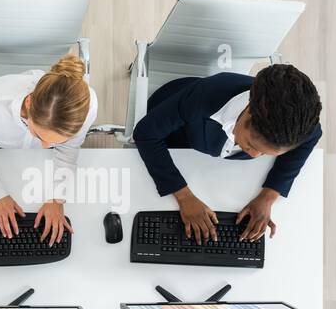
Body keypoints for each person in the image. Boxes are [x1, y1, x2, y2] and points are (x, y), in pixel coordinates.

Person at [132, 64, 322, 243]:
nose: (254, 156)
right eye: (251, 145)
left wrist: (268, 196)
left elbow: (313, 137)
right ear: (247, 112)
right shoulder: (203, 97)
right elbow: (145, 134)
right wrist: (184, 196)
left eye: (267, 154)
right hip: (178, 136)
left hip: (212, 166)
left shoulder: (301, 129)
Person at [0, 54, 97, 246]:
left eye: (55, 142)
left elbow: (68, 150)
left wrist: (57, 199)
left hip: (25, 156)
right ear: (29, 103)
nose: (46, 147)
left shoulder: (84, 108)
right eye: (40, 136)